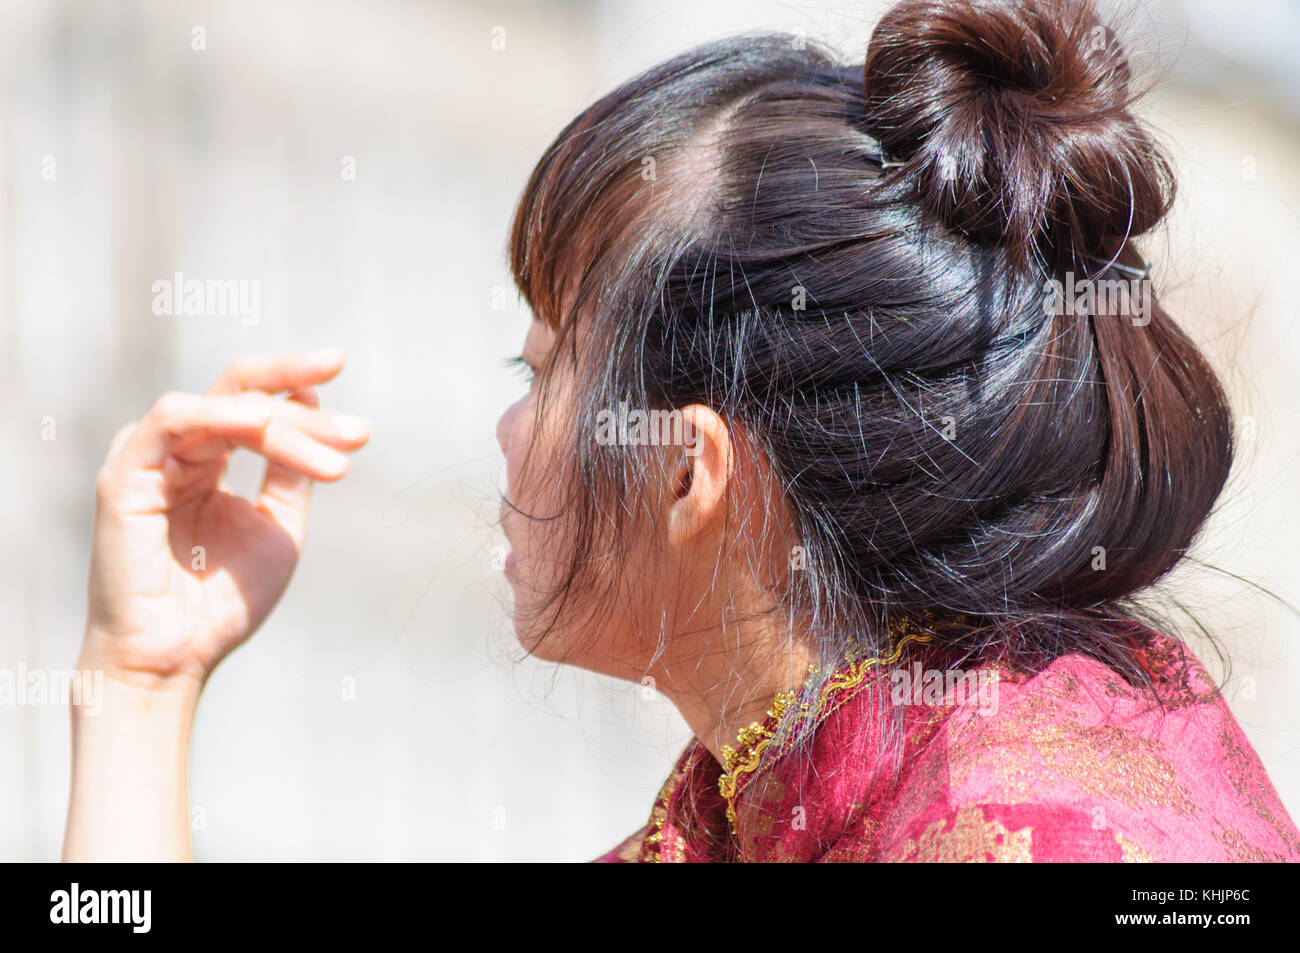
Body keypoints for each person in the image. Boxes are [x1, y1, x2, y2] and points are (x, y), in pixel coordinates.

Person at [64, 0, 1300, 862]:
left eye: (540, 368)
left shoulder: (1031, 827)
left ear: (685, 468)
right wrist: (139, 683)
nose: (505, 430)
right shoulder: (772, 796)